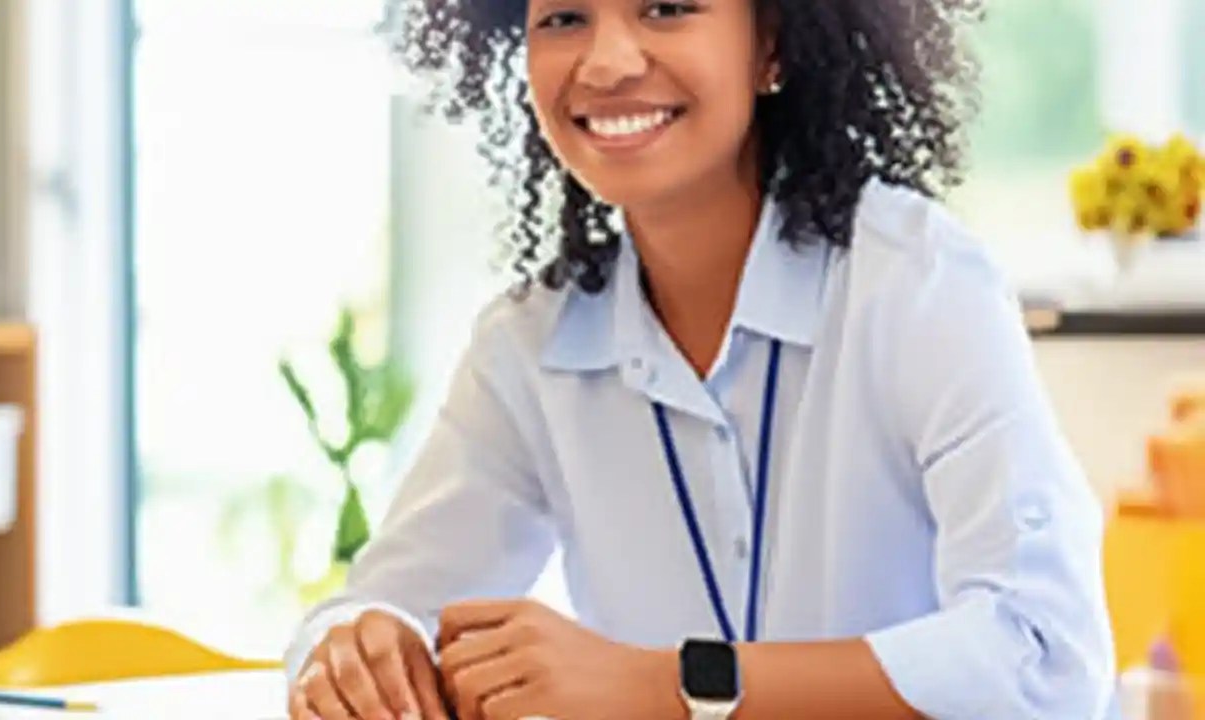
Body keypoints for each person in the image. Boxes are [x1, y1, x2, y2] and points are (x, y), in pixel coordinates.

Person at [287, 0, 1117, 717]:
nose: (607, 61)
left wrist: (668, 687)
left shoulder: (914, 284)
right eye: (564, 18)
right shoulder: (528, 345)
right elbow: (378, 607)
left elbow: (1046, 654)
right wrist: (356, 652)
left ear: (772, 46)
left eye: (667, 7)